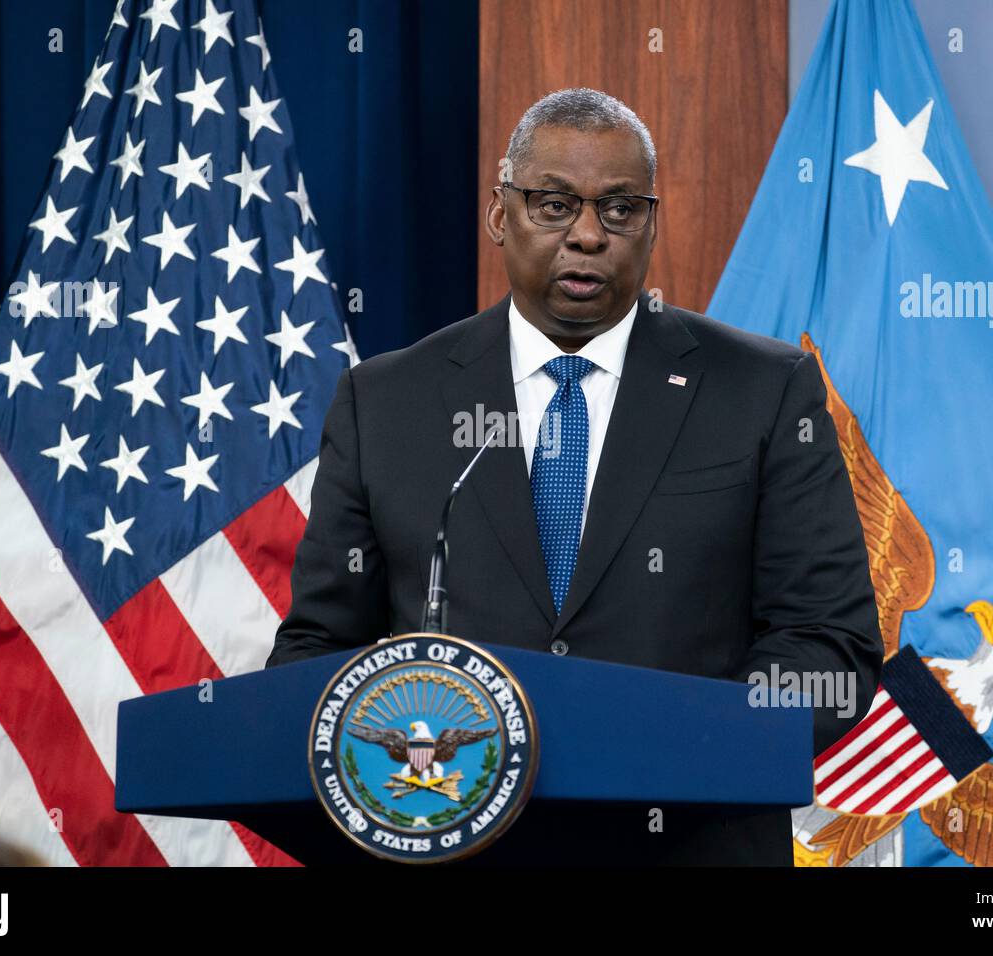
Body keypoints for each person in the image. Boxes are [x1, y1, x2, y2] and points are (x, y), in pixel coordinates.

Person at [266, 87, 883, 865]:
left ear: (651, 224)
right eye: (553, 204)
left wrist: (662, 740)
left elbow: (829, 647)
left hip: (687, 843)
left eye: (621, 209)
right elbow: (320, 649)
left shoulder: (763, 390)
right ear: (500, 214)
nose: (588, 236)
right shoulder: (387, 402)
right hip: (453, 844)